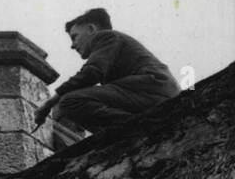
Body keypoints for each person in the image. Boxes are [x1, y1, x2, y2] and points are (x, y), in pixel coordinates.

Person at [33, 8, 180, 132]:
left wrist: (48, 104)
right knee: (72, 101)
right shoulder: (111, 45)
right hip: (154, 92)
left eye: (74, 37)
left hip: (154, 87)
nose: (73, 45)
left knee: (70, 102)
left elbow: (91, 73)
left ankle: (139, 128)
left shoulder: (105, 36)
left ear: (91, 29)